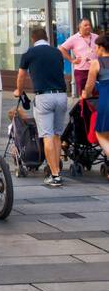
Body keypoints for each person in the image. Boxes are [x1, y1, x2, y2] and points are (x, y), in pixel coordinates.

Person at [16, 24, 67, 187]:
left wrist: (19, 91)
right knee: (57, 135)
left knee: (47, 136)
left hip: (44, 97)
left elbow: (21, 76)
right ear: (46, 37)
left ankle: (55, 175)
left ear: (33, 39)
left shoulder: (29, 53)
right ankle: (56, 169)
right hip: (61, 95)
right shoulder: (57, 52)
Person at [82, 34, 109, 165]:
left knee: (101, 134)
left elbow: (89, 86)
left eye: (96, 47)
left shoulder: (96, 63)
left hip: (106, 103)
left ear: (101, 48)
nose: (95, 50)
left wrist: (85, 94)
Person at [59, 20, 98, 99]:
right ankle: (84, 110)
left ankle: (97, 110)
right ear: (80, 27)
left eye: (89, 25)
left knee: (96, 94)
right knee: (83, 95)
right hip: (81, 71)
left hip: (95, 69)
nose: (88, 27)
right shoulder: (74, 38)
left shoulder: (96, 37)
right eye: (85, 25)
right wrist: (71, 60)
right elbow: (61, 48)